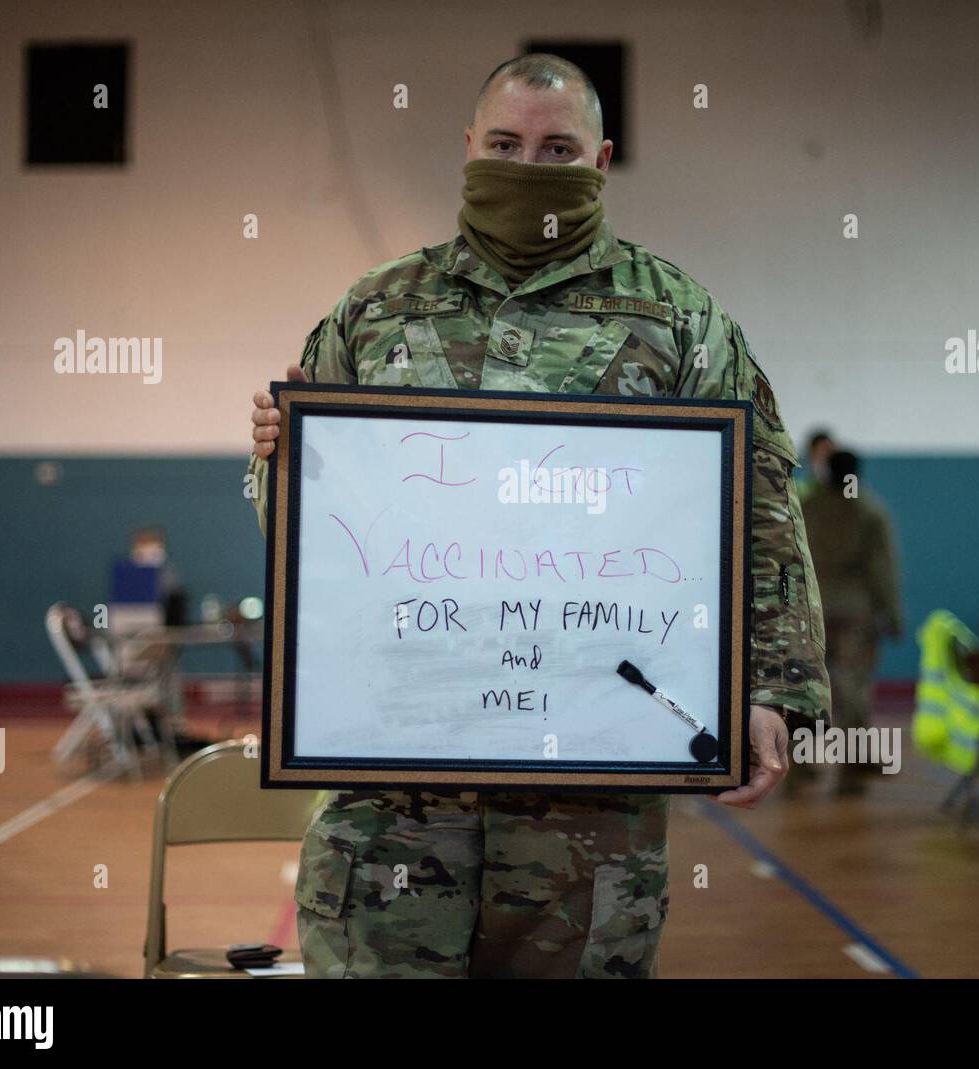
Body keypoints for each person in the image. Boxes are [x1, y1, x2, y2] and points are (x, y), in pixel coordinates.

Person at [247, 54, 830, 978]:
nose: (531, 164)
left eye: (557, 147)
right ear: (468, 149)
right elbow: (308, 532)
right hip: (396, 781)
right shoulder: (374, 310)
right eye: (508, 144)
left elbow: (759, 508)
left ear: (599, 159)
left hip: (592, 797)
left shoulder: (679, 318)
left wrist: (773, 690)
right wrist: (280, 456)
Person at [800, 449, 901, 796]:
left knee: (808, 688)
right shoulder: (868, 511)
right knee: (852, 688)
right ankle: (852, 766)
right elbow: (882, 569)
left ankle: (800, 767)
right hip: (855, 612)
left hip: (811, 611)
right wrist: (892, 614)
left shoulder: (808, 507)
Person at [797, 428, 834, 502]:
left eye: (830, 449)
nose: (828, 452)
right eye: (823, 448)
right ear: (813, 449)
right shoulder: (798, 470)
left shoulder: (832, 471)